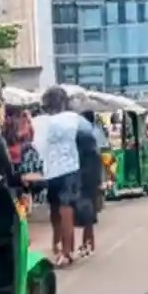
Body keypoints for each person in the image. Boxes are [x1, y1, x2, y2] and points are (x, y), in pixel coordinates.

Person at [35, 87, 95, 268]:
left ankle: (56, 245)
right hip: (69, 169)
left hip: (47, 171)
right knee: (66, 208)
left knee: (54, 210)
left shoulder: (38, 122)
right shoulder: (74, 119)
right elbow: (90, 134)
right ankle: (67, 251)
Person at [74, 110, 104, 257]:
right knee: (89, 213)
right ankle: (88, 243)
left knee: (87, 212)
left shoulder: (85, 137)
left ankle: (88, 243)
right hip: (91, 178)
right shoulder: (94, 134)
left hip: (85, 178)